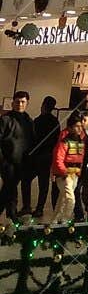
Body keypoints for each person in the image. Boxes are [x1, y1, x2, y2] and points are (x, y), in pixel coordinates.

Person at [0, 92, 34, 221]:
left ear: (27, 103)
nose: (20, 104)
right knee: (11, 188)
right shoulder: (5, 119)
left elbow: (32, 141)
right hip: (7, 162)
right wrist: (2, 160)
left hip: (22, 162)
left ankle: (10, 215)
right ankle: (12, 216)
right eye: (17, 101)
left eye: (23, 102)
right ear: (13, 103)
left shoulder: (29, 121)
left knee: (8, 189)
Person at [27, 96, 61, 220]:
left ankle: (28, 206)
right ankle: (39, 208)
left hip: (38, 156)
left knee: (28, 179)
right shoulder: (55, 122)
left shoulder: (38, 121)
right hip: (47, 156)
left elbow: (32, 138)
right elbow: (57, 140)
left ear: (43, 105)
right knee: (43, 183)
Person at [51, 110, 87, 224]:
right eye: (76, 126)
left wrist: (79, 171)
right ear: (70, 128)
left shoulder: (80, 142)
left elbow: (81, 158)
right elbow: (58, 159)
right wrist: (63, 172)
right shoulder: (64, 142)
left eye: (80, 126)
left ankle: (55, 220)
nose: (79, 129)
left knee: (62, 200)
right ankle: (65, 220)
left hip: (74, 174)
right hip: (65, 175)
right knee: (70, 199)